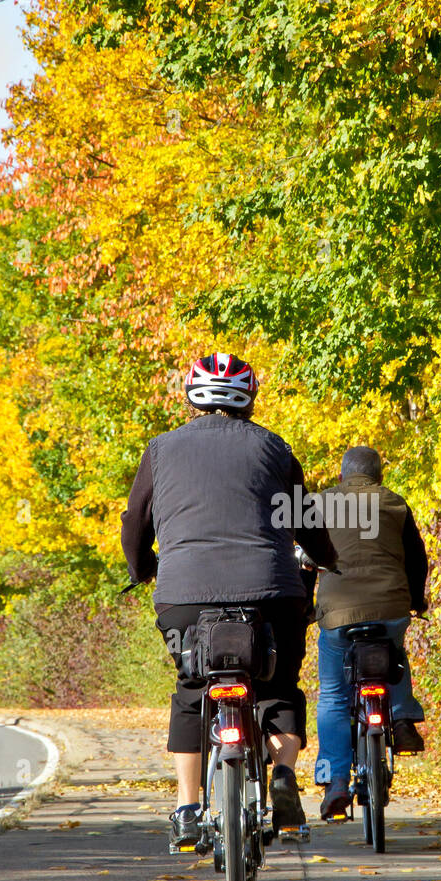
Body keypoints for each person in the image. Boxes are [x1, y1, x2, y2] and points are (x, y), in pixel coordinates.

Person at [120, 352, 337, 845]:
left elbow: (135, 523)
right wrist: (327, 558)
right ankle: (282, 773)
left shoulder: (160, 450)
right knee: (279, 685)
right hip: (272, 593)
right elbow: (306, 521)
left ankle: (188, 808)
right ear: (250, 397)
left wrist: (143, 568)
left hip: (184, 597)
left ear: (191, 396)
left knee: (193, 689)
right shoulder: (276, 448)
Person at [314, 446, 428, 819]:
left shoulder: (322, 502)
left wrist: (303, 605)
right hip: (391, 605)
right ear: (379, 476)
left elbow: (307, 557)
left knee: (332, 694)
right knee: (393, 650)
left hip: (338, 612)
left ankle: (335, 783)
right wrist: (416, 601)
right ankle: (400, 716)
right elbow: (416, 557)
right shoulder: (395, 503)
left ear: (343, 475)